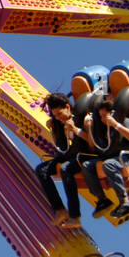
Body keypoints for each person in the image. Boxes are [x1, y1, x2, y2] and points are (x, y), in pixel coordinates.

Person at [81, 96, 129, 220]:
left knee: (109, 164)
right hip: (113, 156)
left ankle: (125, 201)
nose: (102, 119)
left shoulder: (125, 121)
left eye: (104, 116)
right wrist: (89, 128)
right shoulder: (104, 129)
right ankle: (102, 199)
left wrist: (116, 125)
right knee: (87, 165)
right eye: (101, 116)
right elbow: (94, 147)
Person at [35, 93, 86, 228]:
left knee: (65, 170)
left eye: (60, 113)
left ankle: (75, 217)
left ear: (68, 107)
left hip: (83, 155)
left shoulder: (81, 119)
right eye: (55, 115)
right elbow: (61, 148)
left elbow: (90, 142)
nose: (58, 117)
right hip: (68, 156)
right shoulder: (58, 122)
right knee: (42, 170)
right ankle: (60, 210)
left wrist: (74, 129)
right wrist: (55, 129)